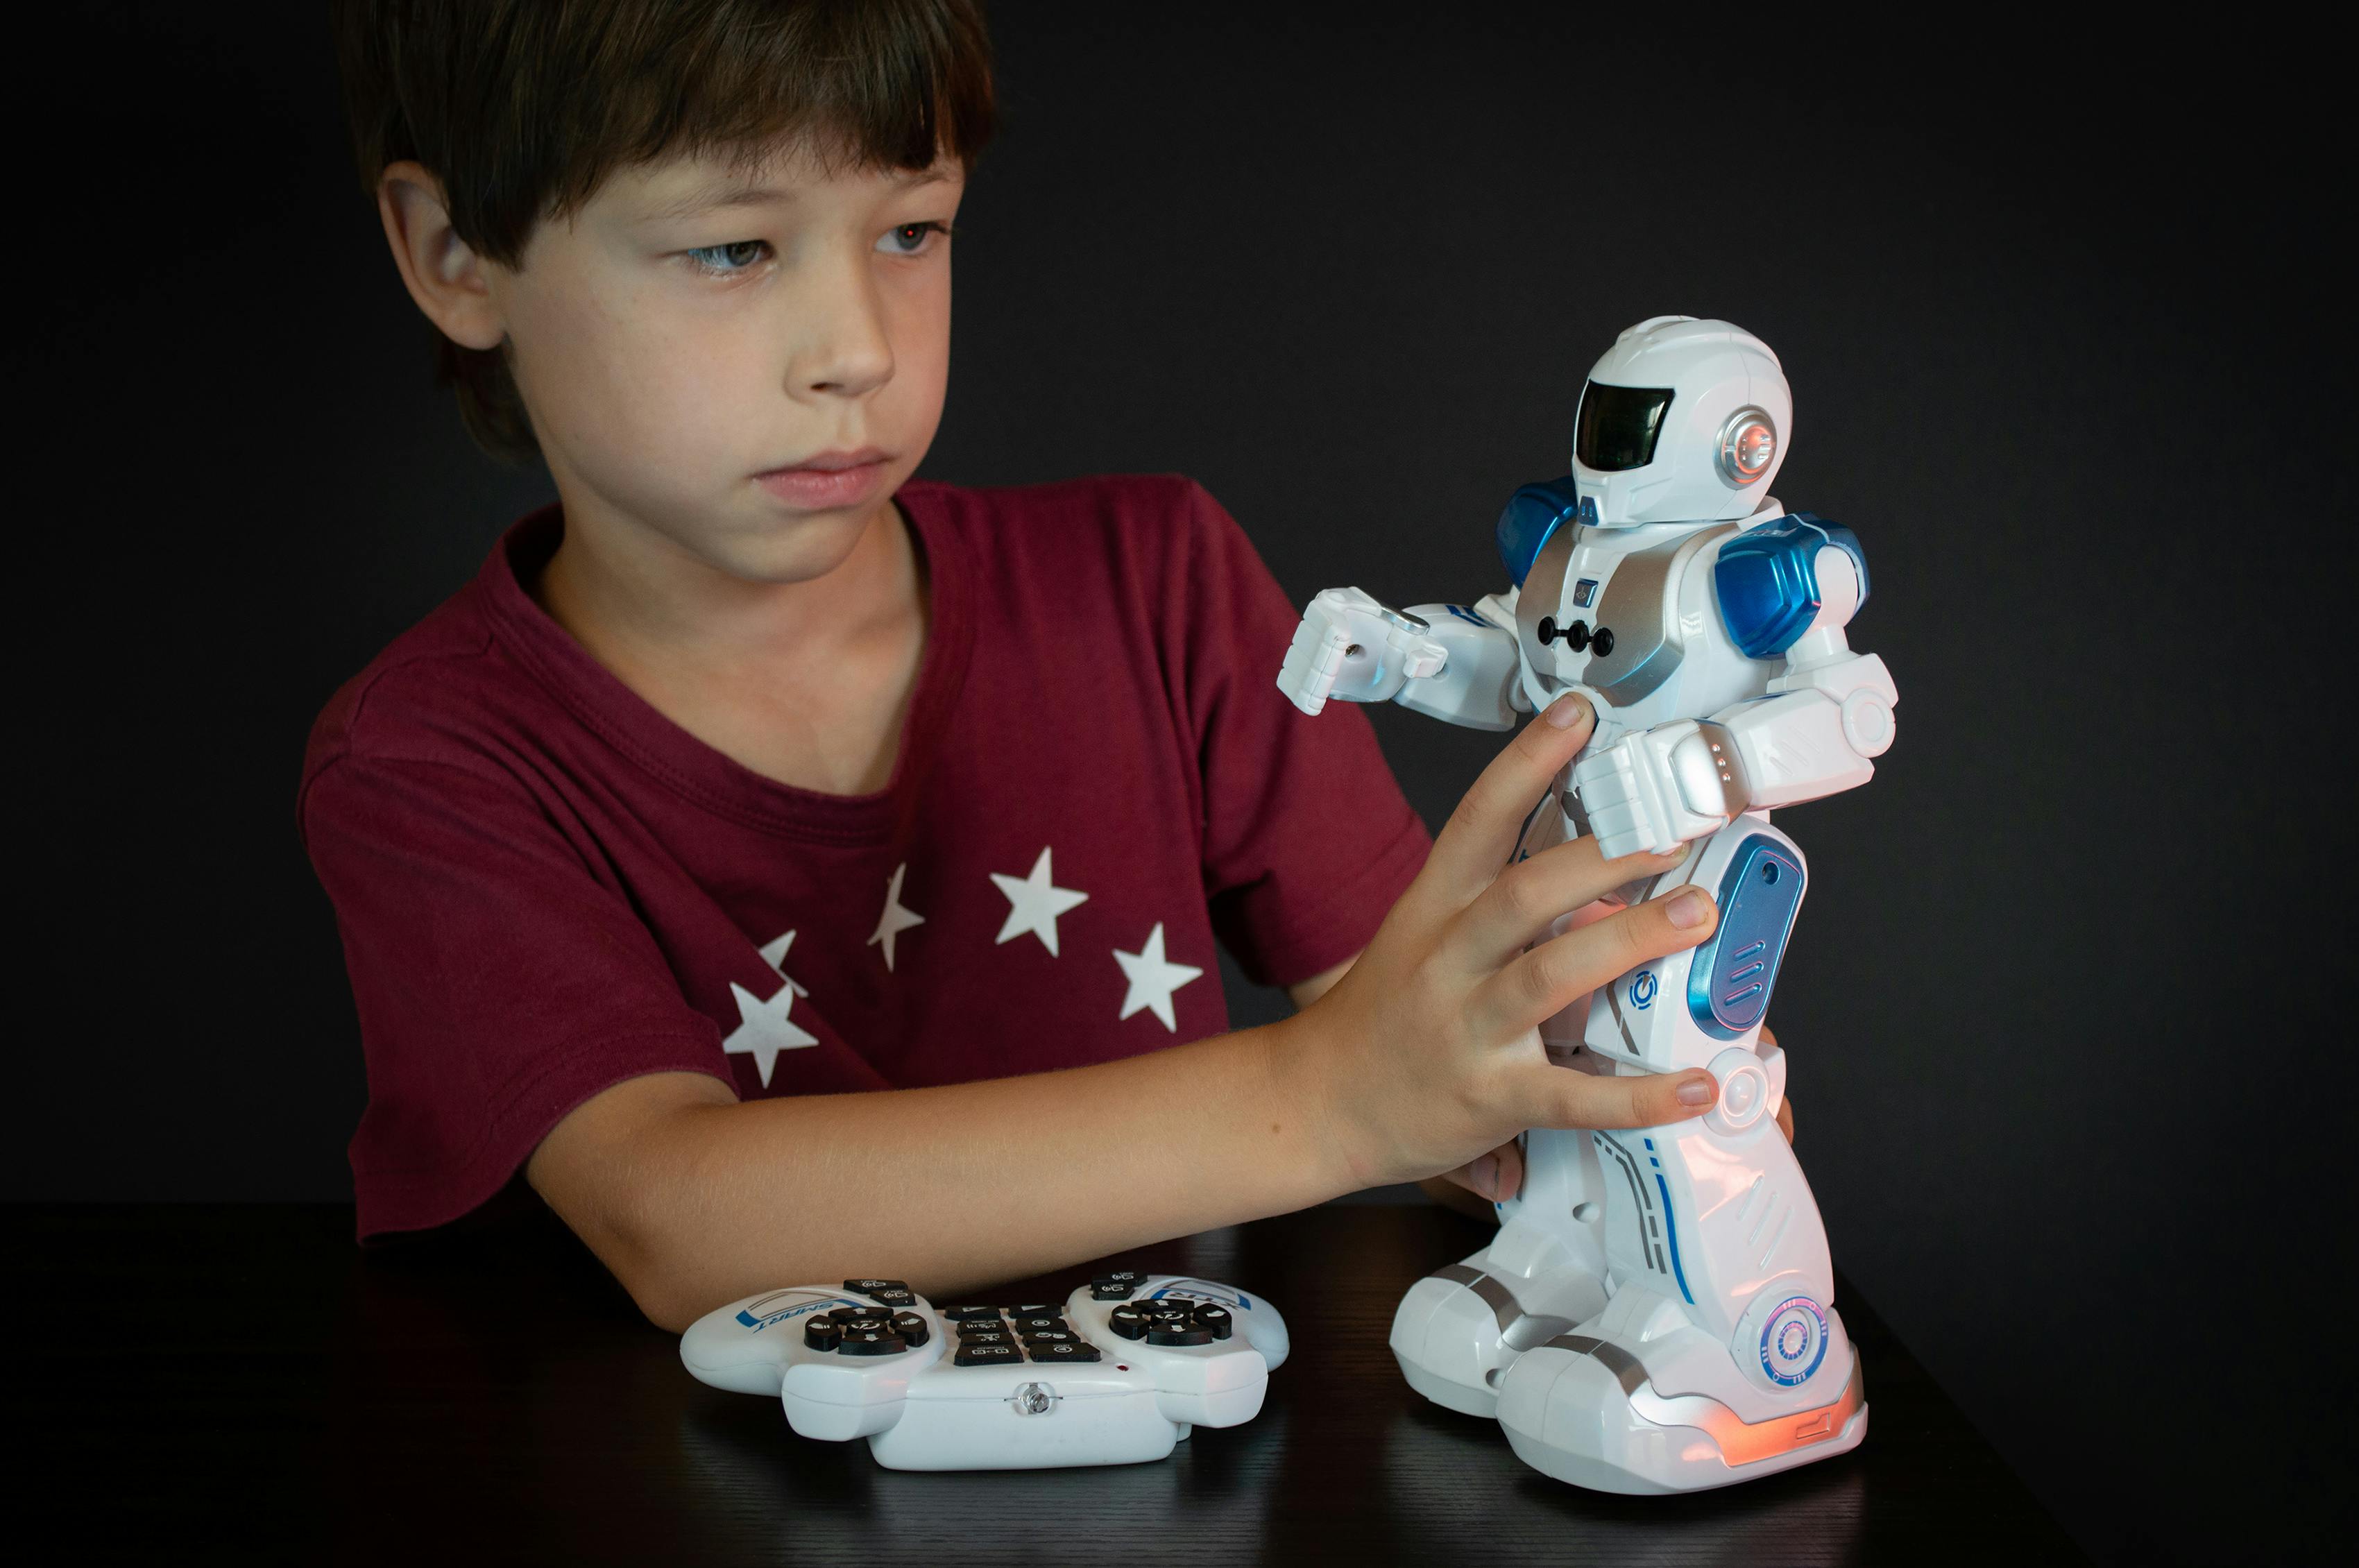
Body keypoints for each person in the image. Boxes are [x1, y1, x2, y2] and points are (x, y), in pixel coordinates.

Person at [307, 0, 1776, 1332]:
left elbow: (1442, 1061)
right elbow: (675, 1215)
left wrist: (1632, 1089)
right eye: (732, 248)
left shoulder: (1155, 581)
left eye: (910, 232)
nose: (854, 350)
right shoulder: (432, 758)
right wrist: (1324, 1097)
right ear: (455, 256)